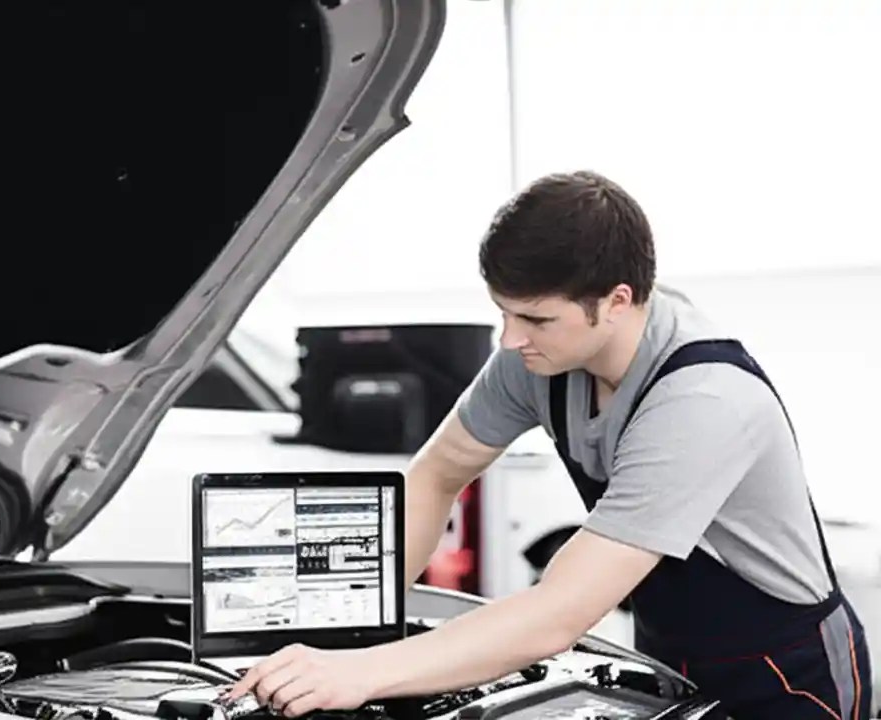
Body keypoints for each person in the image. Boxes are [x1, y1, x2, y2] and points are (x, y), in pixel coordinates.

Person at [225, 170, 872, 719]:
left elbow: (559, 613)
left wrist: (364, 672)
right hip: (666, 650)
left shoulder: (703, 402)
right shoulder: (537, 356)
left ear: (616, 302)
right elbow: (437, 474)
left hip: (783, 673)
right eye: (503, 312)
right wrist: (348, 627)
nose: (509, 339)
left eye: (534, 318)